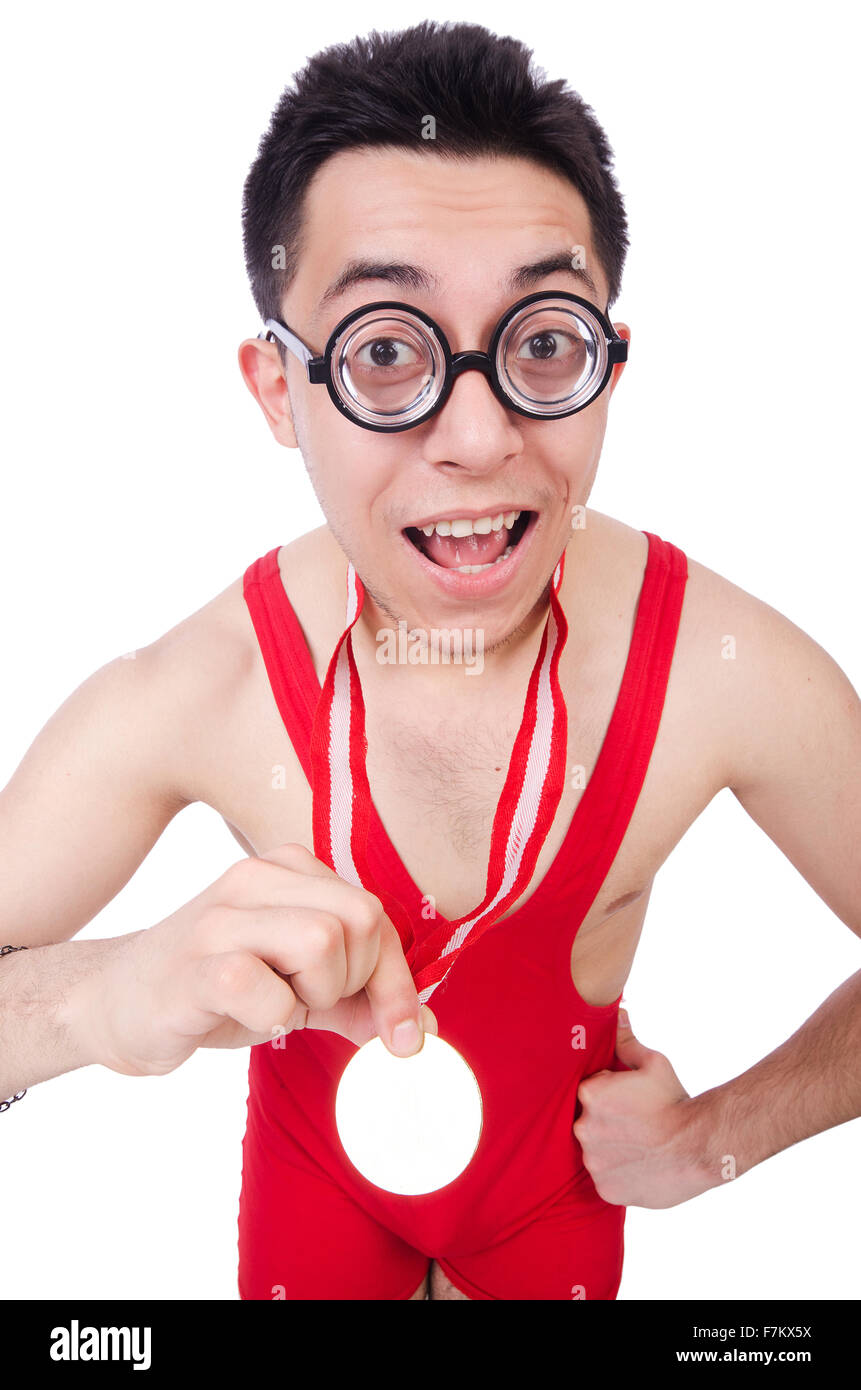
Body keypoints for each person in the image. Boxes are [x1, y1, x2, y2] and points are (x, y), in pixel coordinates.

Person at [1, 19, 859, 1301]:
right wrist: (93, 1002)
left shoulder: (725, 670)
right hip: (315, 1178)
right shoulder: (196, 689)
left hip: (550, 1192)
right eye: (387, 351)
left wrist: (720, 1138)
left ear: (609, 366)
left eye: (545, 341)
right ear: (278, 391)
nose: (478, 434)